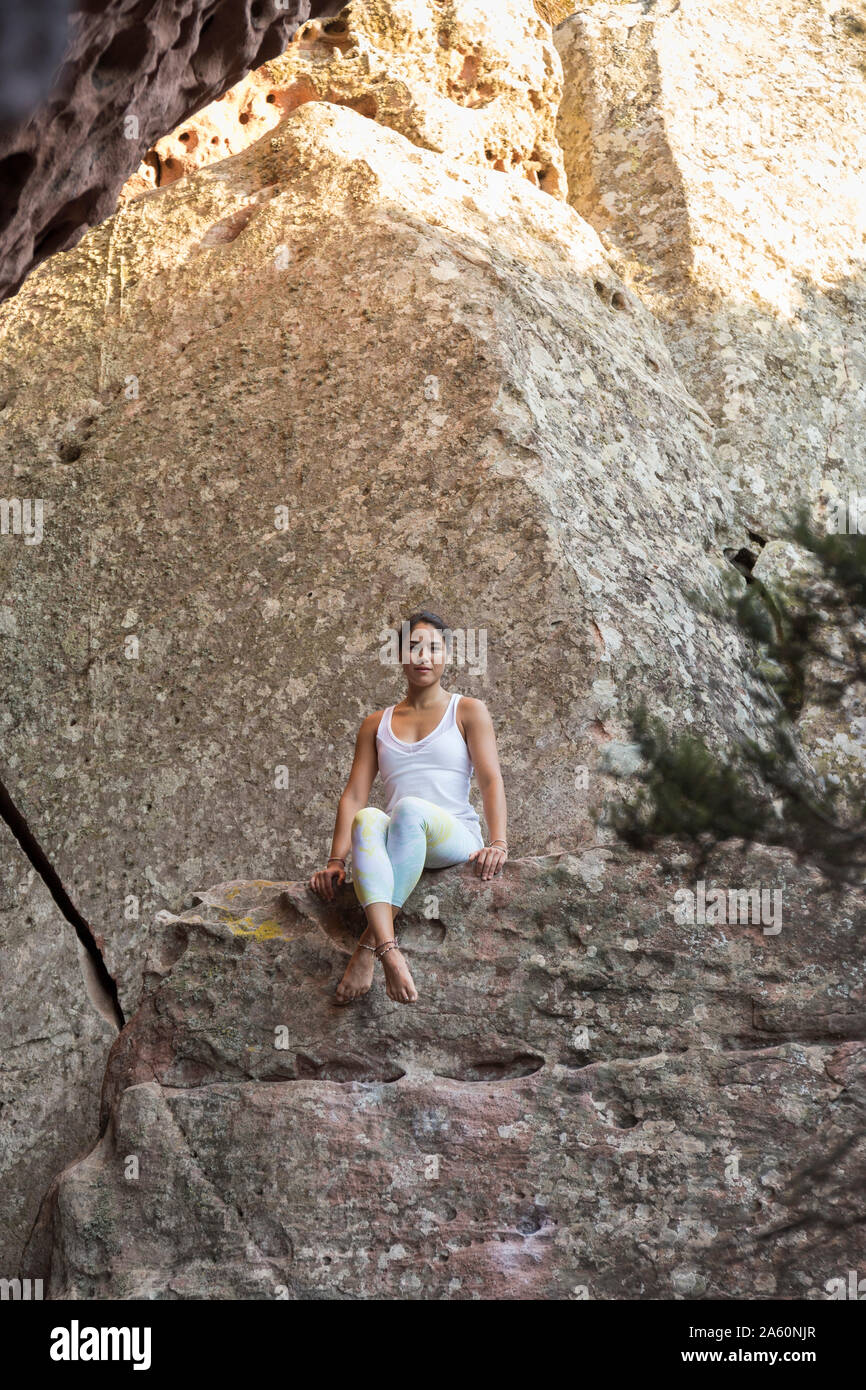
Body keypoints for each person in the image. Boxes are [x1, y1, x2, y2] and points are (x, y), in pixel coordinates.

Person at [309, 609, 508, 1005]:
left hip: (452, 835)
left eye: (433, 648)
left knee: (410, 809)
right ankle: (391, 950)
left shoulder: (467, 711)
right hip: (401, 839)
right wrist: (335, 861)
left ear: (446, 655)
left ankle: (370, 950)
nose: (423, 656)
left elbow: (490, 779)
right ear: (400, 655)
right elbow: (354, 796)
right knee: (368, 818)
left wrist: (498, 842)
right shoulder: (375, 723)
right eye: (414, 647)